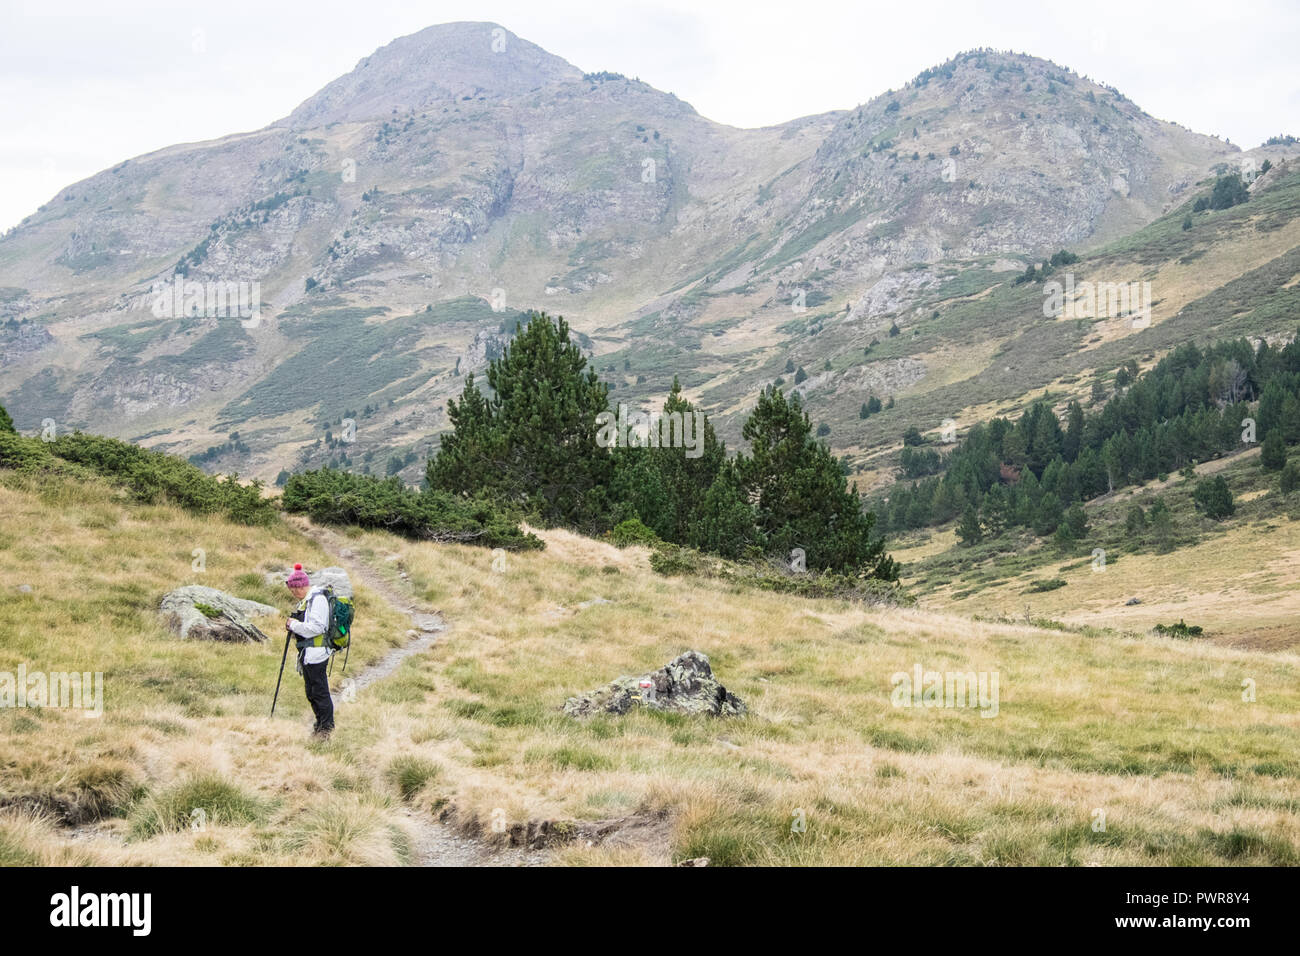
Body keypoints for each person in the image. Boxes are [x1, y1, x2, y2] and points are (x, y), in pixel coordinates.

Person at [285, 564, 334, 739]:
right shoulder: (308, 600)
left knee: (319, 691)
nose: (293, 593)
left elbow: (317, 627)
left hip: (317, 653)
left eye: (293, 590)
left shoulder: (317, 599)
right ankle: (320, 724)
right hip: (309, 653)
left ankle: (326, 729)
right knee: (311, 691)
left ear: (300, 586)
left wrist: (294, 625)